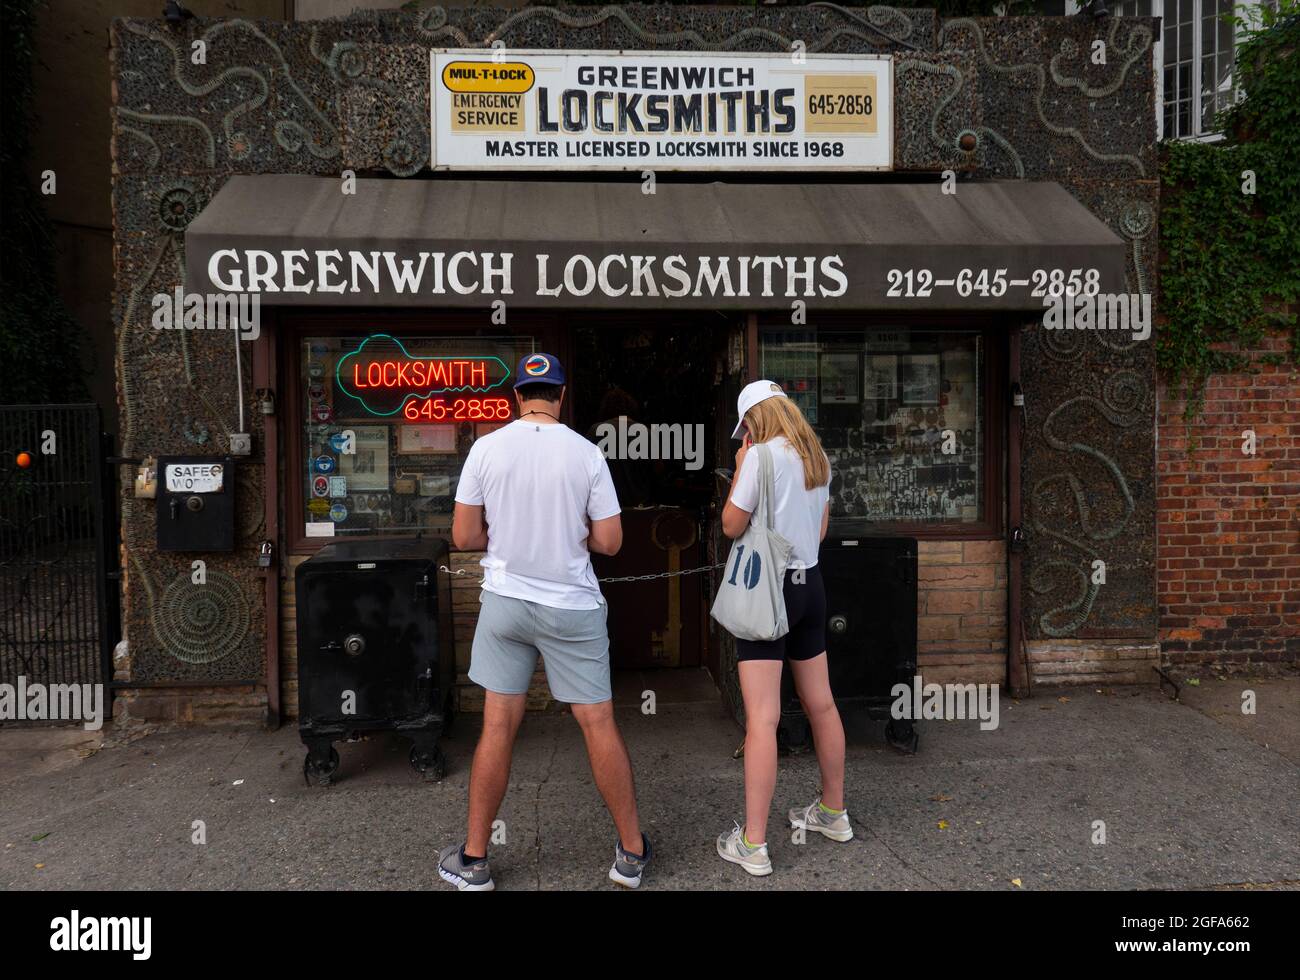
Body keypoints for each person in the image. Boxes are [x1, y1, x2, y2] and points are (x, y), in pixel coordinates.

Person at [438, 352, 652, 891]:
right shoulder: (586, 454)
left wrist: (508, 534)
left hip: (506, 602)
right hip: (571, 606)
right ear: (560, 396)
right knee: (598, 723)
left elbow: (464, 537)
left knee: (497, 726)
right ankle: (630, 853)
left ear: (517, 397)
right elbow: (610, 542)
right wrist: (569, 532)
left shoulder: (485, 449)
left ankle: (475, 859)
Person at [715, 380, 850, 876]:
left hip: (768, 593)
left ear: (754, 421)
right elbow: (819, 530)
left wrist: (738, 470)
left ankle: (754, 843)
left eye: (745, 426)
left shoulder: (759, 459)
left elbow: (732, 524)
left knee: (763, 718)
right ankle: (833, 813)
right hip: (810, 585)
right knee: (822, 703)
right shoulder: (818, 458)